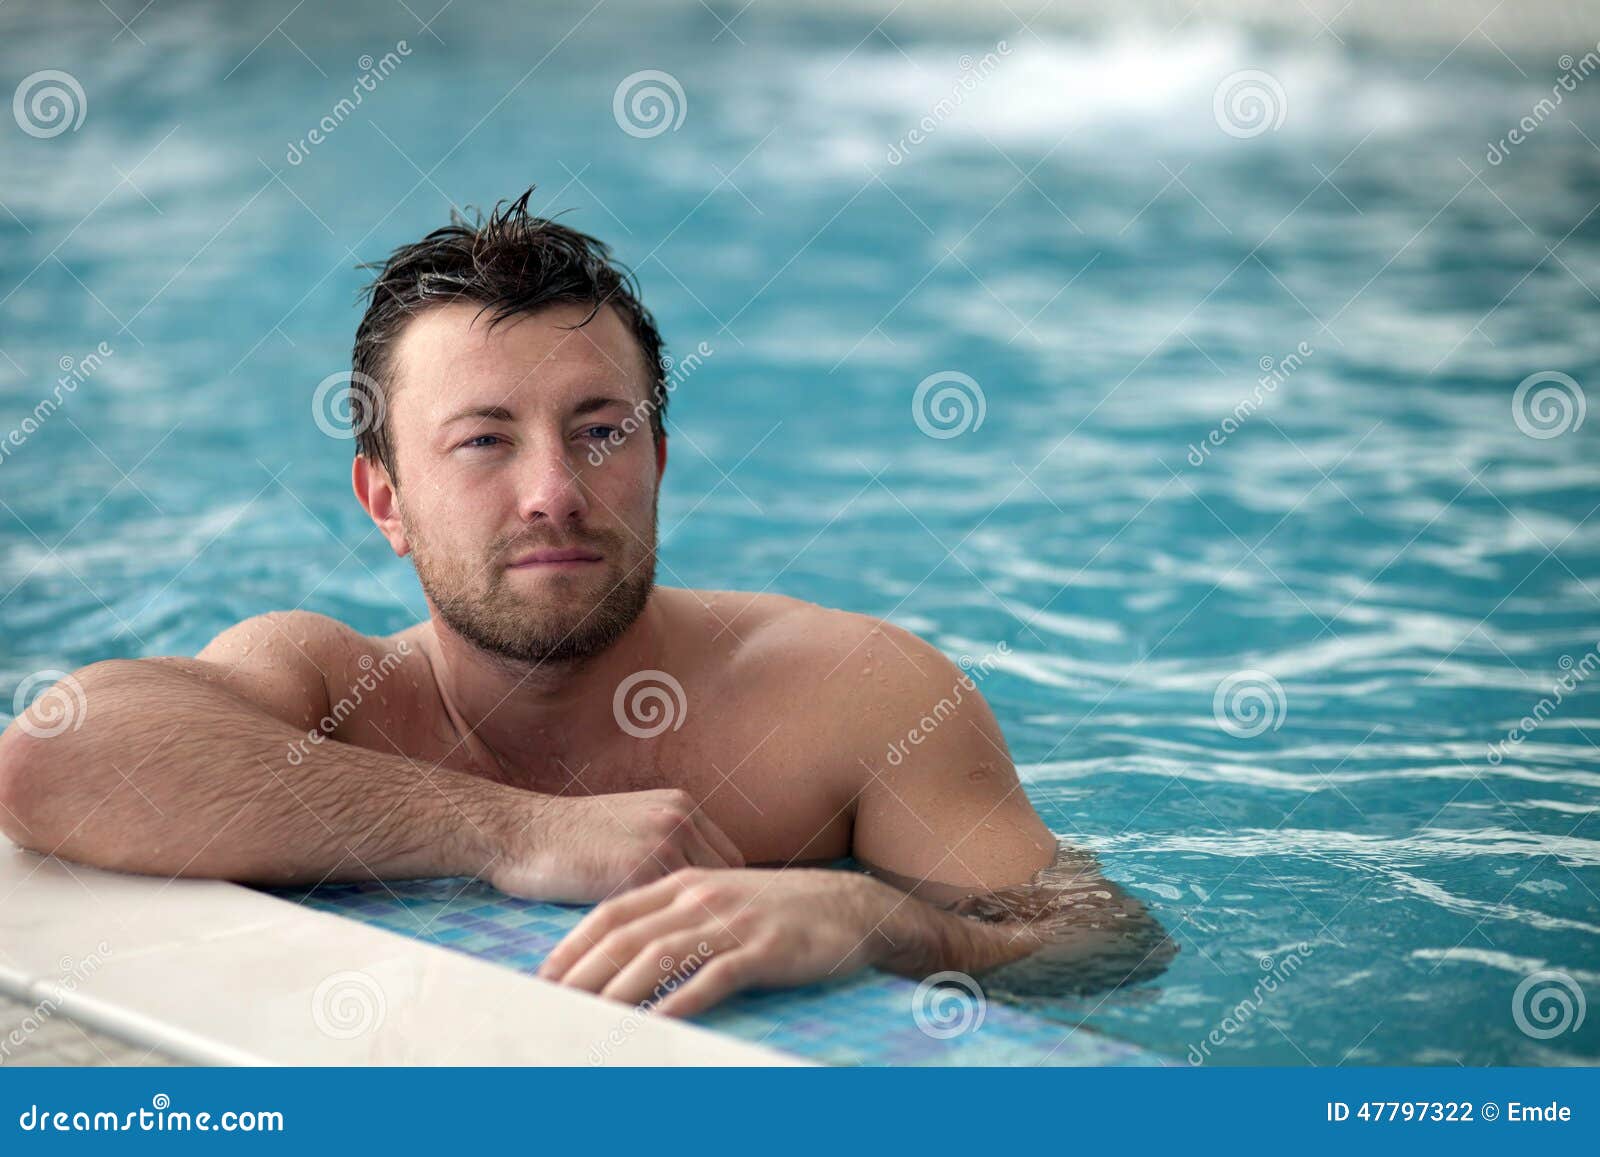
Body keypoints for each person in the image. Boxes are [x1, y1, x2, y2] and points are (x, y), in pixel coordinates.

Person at [0, 190, 1165, 1018]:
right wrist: (518, 830)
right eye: (484, 441)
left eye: (599, 430)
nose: (555, 492)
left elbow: (1103, 945)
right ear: (385, 499)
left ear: (657, 458)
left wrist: (885, 923)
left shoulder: (853, 691)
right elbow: (53, 762)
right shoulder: (332, 688)